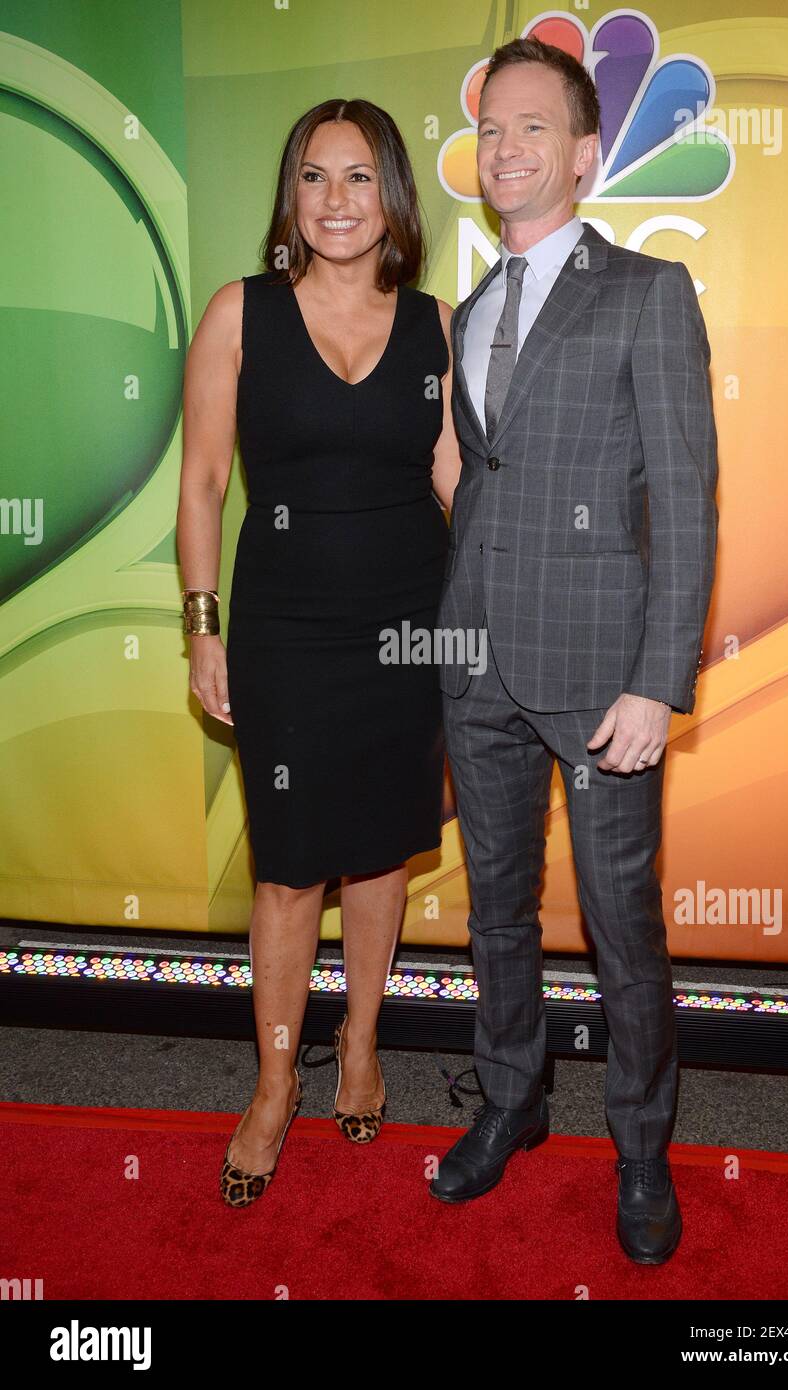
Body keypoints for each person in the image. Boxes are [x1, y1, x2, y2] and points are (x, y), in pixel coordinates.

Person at [429, 37, 718, 1266]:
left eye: (532, 128)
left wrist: (659, 678)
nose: (504, 149)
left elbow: (689, 500)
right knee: (496, 911)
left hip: (603, 678)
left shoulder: (646, 293)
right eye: (490, 129)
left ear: (586, 154)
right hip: (473, 664)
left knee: (619, 926)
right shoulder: (472, 306)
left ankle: (642, 1152)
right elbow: (472, 483)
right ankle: (512, 1100)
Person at [176, 98, 462, 1207]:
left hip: (410, 620)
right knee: (291, 866)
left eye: (356, 177)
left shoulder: (436, 323)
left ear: (390, 195)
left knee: (382, 854)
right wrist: (203, 628)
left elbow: (450, 479)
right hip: (285, 627)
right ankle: (272, 1081)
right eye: (312, 177)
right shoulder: (239, 313)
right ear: (289, 197)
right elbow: (201, 483)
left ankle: (359, 1045)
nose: (334, 200)